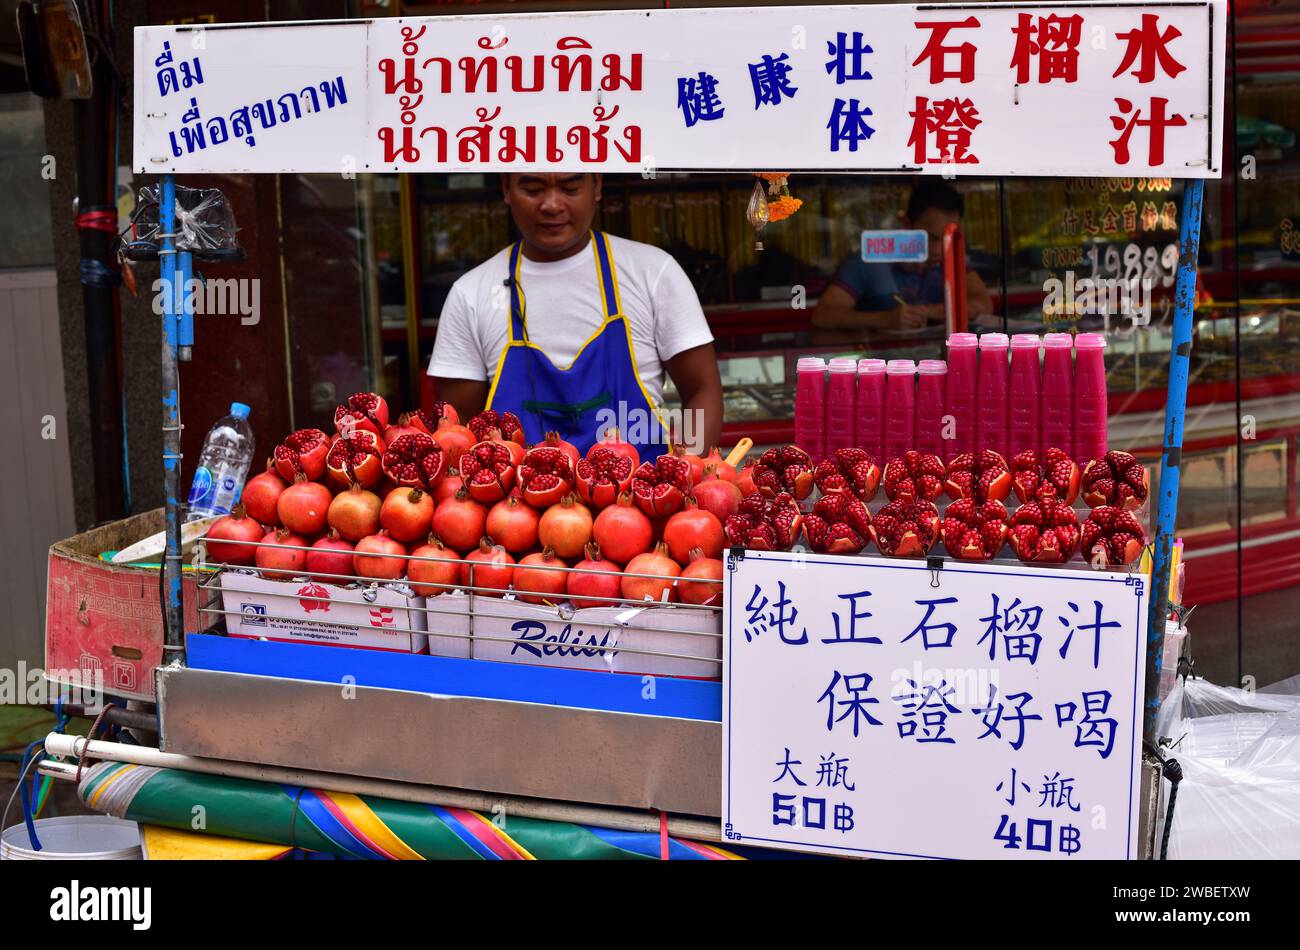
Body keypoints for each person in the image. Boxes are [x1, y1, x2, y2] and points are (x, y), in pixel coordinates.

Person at [429, 173, 723, 459]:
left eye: (570, 188)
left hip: (644, 504)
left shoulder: (654, 273)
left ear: (596, 185)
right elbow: (459, 429)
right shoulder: (469, 295)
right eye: (533, 189)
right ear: (507, 188)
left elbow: (702, 391)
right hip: (516, 505)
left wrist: (685, 474)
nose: (552, 204)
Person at [811, 180, 993, 336]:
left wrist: (925, 312)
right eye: (930, 238)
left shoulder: (950, 258)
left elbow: (983, 304)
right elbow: (823, 316)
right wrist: (884, 319)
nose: (939, 250)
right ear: (906, 224)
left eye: (948, 239)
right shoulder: (870, 259)